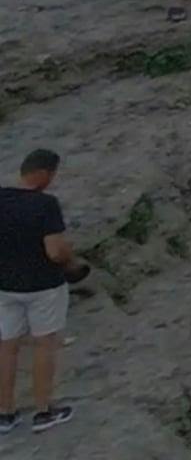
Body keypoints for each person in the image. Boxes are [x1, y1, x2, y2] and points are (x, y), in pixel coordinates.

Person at [0, 151, 77, 436]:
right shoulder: (46, 205)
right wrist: (70, 258)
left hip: (6, 287)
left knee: (6, 347)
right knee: (45, 344)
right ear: (45, 173)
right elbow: (54, 251)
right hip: (43, 287)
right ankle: (44, 411)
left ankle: (5, 414)